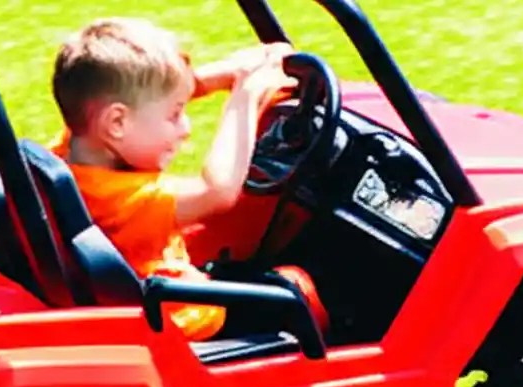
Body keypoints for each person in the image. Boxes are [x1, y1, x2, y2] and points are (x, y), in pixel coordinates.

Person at [48, 17, 327, 340]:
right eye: (174, 114)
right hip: (190, 324)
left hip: (158, 295)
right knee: (297, 290)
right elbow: (217, 191)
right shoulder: (123, 202)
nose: (186, 128)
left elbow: (134, 98)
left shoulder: (71, 151)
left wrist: (223, 74)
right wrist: (246, 98)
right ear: (117, 123)